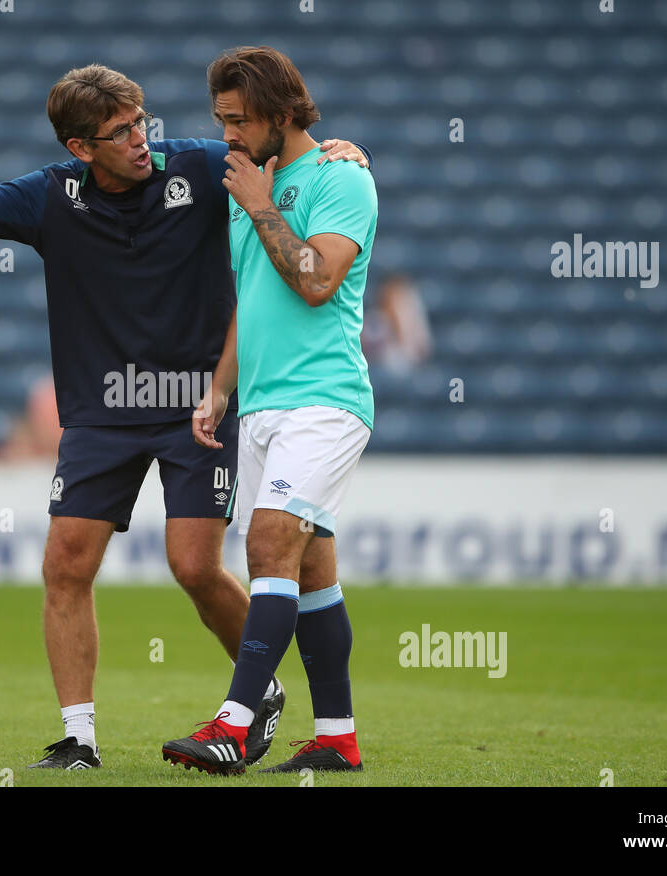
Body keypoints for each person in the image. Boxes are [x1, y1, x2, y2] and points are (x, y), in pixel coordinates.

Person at [0, 63, 370, 770]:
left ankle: (257, 695)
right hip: (102, 412)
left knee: (195, 568)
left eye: (141, 123)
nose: (141, 141)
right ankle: (79, 736)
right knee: (65, 565)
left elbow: (280, 151)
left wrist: (341, 147)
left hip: (192, 408)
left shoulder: (202, 170)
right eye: (120, 133)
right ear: (81, 148)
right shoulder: (47, 198)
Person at [162, 46, 378, 775]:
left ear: (283, 116)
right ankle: (338, 736)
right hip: (261, 405)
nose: (226, 135)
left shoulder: (343, 179)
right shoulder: (249, 183)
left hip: (325, 400)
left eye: (238, 121)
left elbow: (316, 282)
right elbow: (254, 298)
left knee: (267, 546)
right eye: (219, 120)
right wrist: (221, 387)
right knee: (310, 571)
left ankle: (234, 722)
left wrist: (260, 204)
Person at [362, 273, 432, 376]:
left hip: (410, 372)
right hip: (379, 375)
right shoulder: (375, 321)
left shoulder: (414, 319)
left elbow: (424, 349)